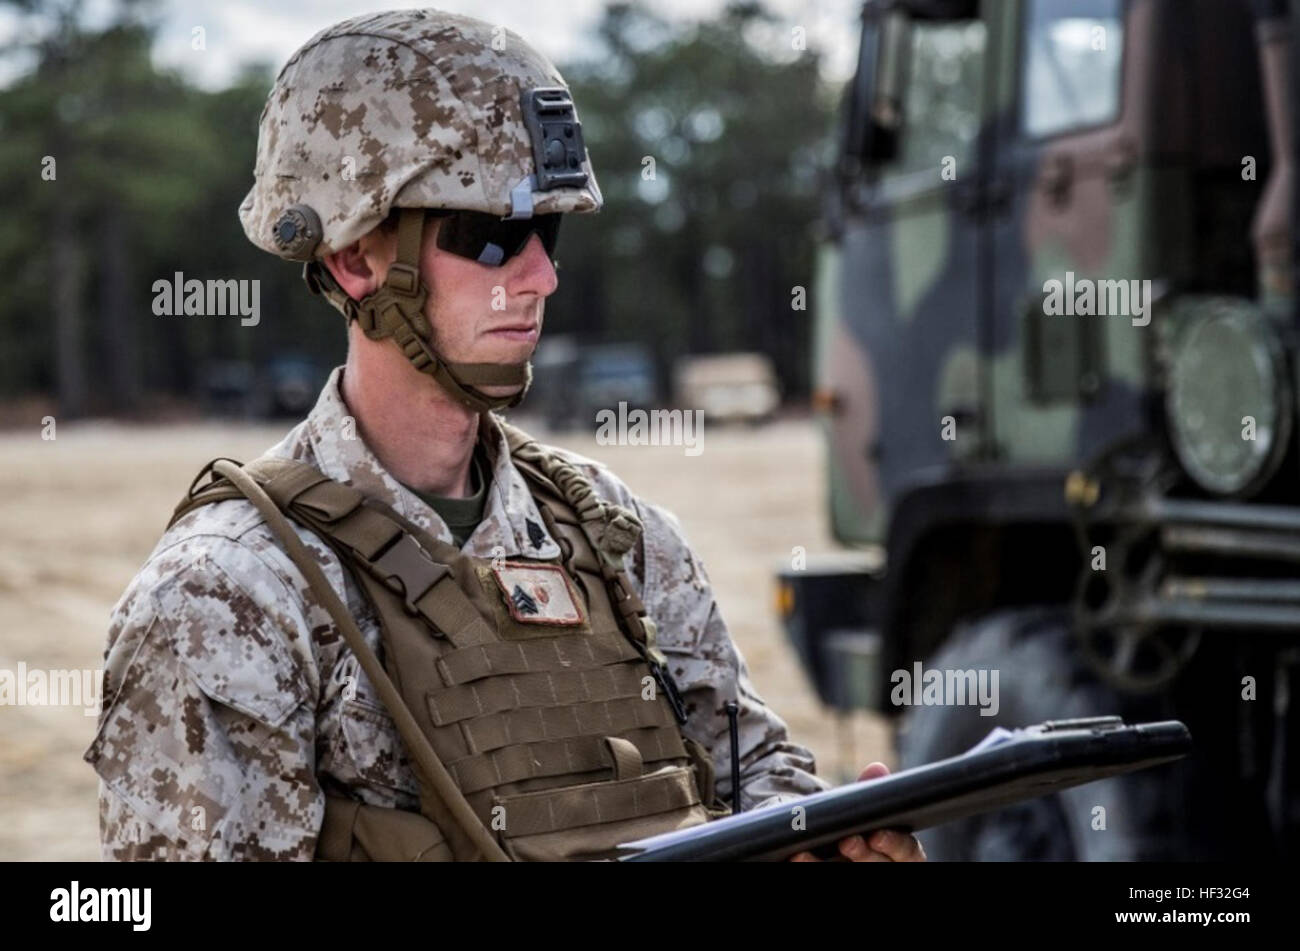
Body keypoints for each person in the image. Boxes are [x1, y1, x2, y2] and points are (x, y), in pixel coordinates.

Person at [84, 7, 924, 863]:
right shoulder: (227, 596)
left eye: (547, 231)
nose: (541, 276)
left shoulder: (615, 535)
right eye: (490, 237)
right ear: (355, 258)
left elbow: (752, 782)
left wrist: (819, 840)